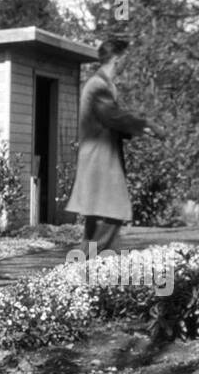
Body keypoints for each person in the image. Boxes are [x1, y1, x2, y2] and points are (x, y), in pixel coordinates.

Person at [66, 37, 165, 255]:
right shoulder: (98, 86)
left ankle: (88, 273)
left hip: (101, 158)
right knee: (110, 214)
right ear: (118, 60)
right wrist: (146, 124)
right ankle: (87, 269)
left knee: (101, 220)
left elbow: (112, 120)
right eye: (127, 59)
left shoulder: (101, 84)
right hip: (100, 161)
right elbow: (112, 116)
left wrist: (139, 129)